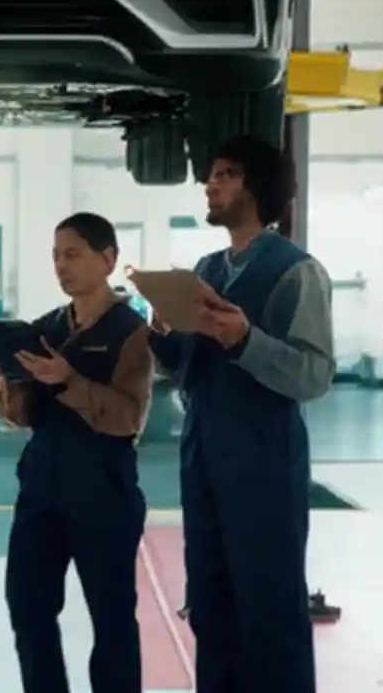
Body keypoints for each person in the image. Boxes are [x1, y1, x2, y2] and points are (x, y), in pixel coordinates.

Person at [146, 135, 333, 693]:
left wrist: (247, 338)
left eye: (225, 174)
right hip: (204, 460)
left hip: (263, 465)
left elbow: (313, 374)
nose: (211, 184)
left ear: (255, 187)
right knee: (211, 604)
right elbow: (193, 370)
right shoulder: (206, 269)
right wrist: (160, 339)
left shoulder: (296, 273)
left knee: (269, 612)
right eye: (210, 174)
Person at [0, 212, 153, 693]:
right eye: (56, 256)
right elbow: (23, 417)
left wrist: (68, 380)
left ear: (107, 260)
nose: (62, 266)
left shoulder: (134, 334)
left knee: (112, 619)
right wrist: (10, 388)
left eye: (73, 254)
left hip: (104, 488)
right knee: (28, 607)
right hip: (42, 487)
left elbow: (128, 417)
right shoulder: (43, 330)